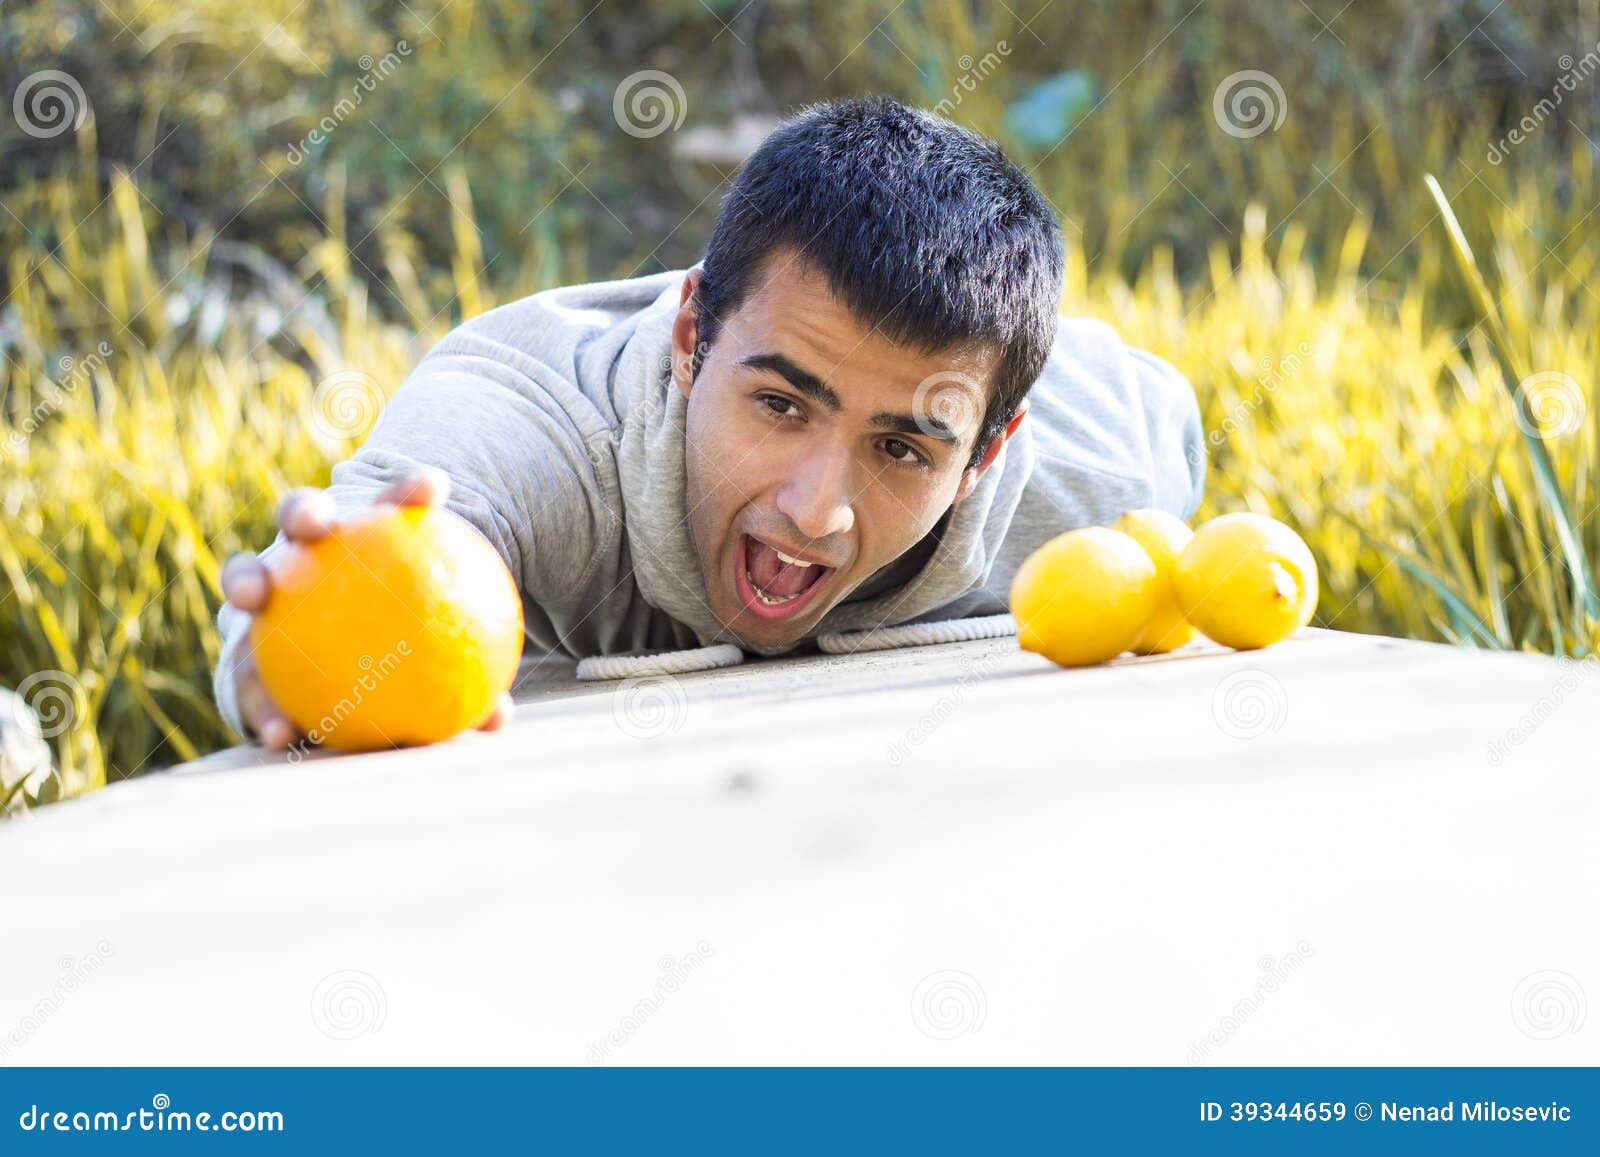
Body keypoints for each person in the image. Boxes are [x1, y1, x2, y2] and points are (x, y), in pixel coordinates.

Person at [214, 96, 1206, 748]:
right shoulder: (529, 424)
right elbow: (378, 550)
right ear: (690, 335)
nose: (816, 510)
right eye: (780, 403)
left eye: (901, 447)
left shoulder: (1102, 475)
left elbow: (1170, 442)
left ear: (986, 453)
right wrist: (284, 666)